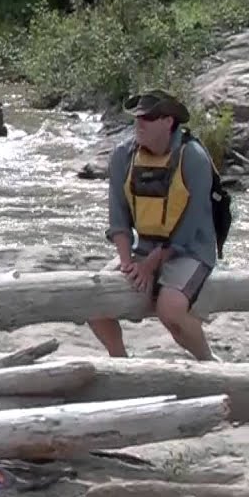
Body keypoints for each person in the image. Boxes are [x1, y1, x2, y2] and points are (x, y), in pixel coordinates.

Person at [89, 89, 220, 362]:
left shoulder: (193, 157)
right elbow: (118, 218)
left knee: (169, 309)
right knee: (94, 300)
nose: (139, 124)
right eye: (137, 117)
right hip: (143, 248)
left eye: (148, 118)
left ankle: (209, 363)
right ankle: (121, 362)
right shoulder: (123, 155)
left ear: (168, 122)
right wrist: (127, 263)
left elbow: (190, 225)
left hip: (190, 250)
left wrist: (151, 264)